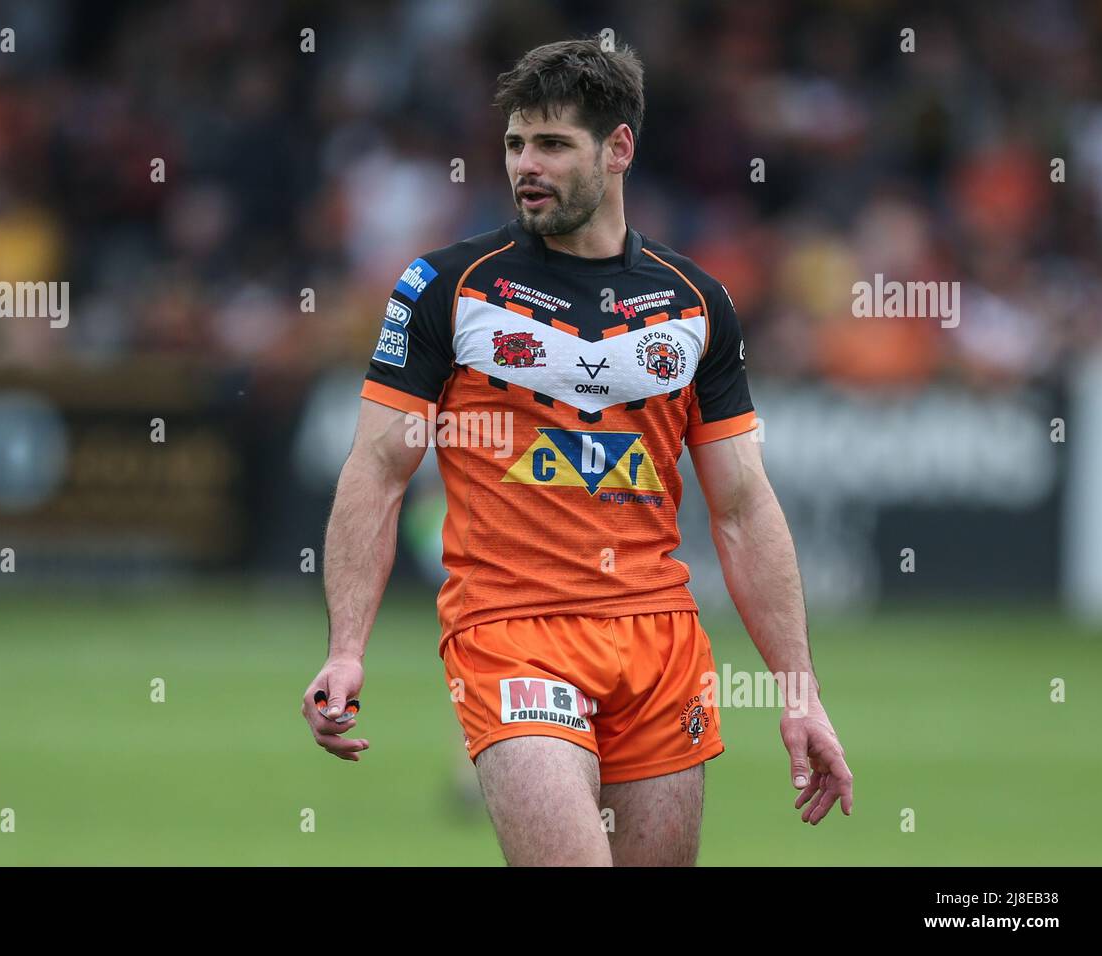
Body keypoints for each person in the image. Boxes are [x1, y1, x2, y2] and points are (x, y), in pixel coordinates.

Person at [301, 36, 852, 865]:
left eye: (554, 144)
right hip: (509, 629)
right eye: (518, 144)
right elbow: (376, 474)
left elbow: (742, 509)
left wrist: (799, 692)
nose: (528, 164)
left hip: (661, 640)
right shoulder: (448, 288)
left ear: (618, 148)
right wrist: (347, 649)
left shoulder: (696, 302)